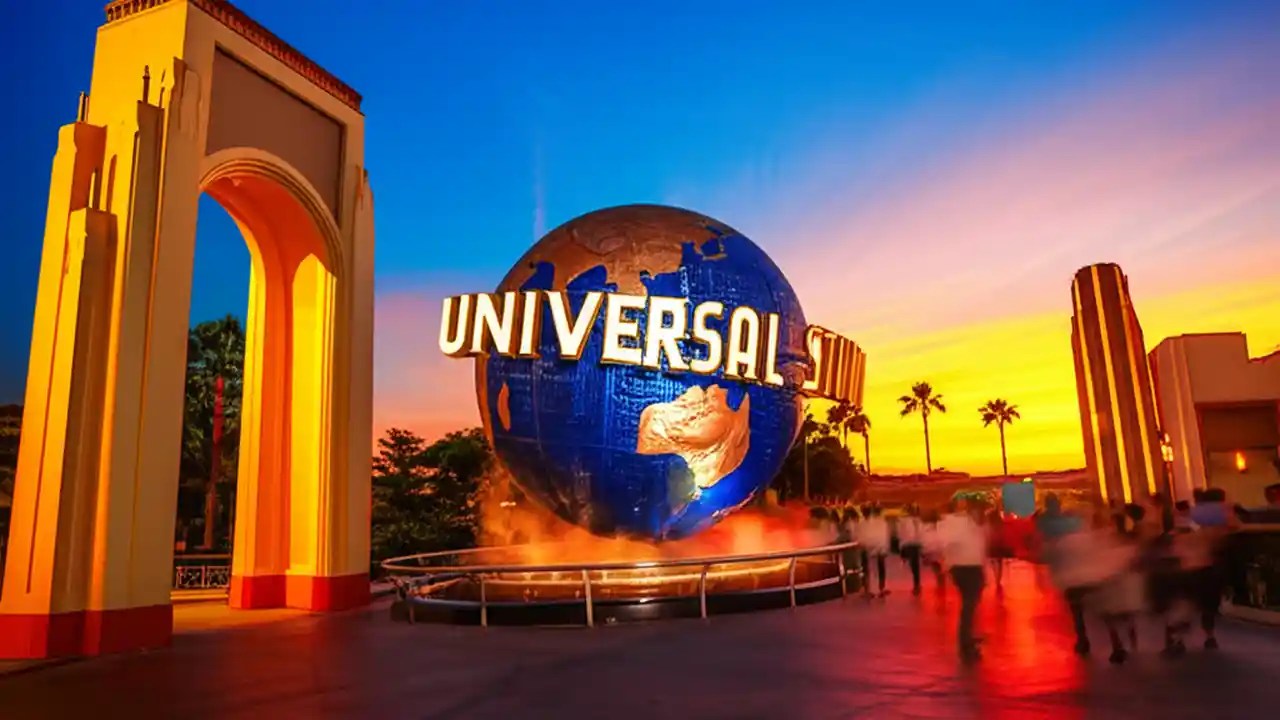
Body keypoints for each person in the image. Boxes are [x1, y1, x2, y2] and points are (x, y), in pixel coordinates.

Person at [939, 499, 988, 663]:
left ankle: (968, 637)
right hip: (965, 566)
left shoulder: (967, 523)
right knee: (969, 605)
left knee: (970, 604)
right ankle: (966, 642)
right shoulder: (956, 523)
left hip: (969, 565)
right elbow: (947, 542)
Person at [857, 506, 891, 597]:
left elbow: (861, 536)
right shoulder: (867, 522)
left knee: (871, 569)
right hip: (874, 548)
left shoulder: (864, 523)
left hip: (871, 548)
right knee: (876, 569)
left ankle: (873, 588)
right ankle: (876, 588)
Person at [897, 504, 925, 595]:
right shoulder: (904, 521)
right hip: (909, 544)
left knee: (915, 565)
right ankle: (916, 584)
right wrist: (902, 547)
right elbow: (901, 534)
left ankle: (917, 584)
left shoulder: (919, 521)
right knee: (914, 565)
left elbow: (922, 532)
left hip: (917, 544)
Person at [986, 508, 1010, 593]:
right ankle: (998, 578)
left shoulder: (989, 522)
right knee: (999, 561)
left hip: (992, 543)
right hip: (999, 543)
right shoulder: (999, 522)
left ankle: (997, 576)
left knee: (993, 560)